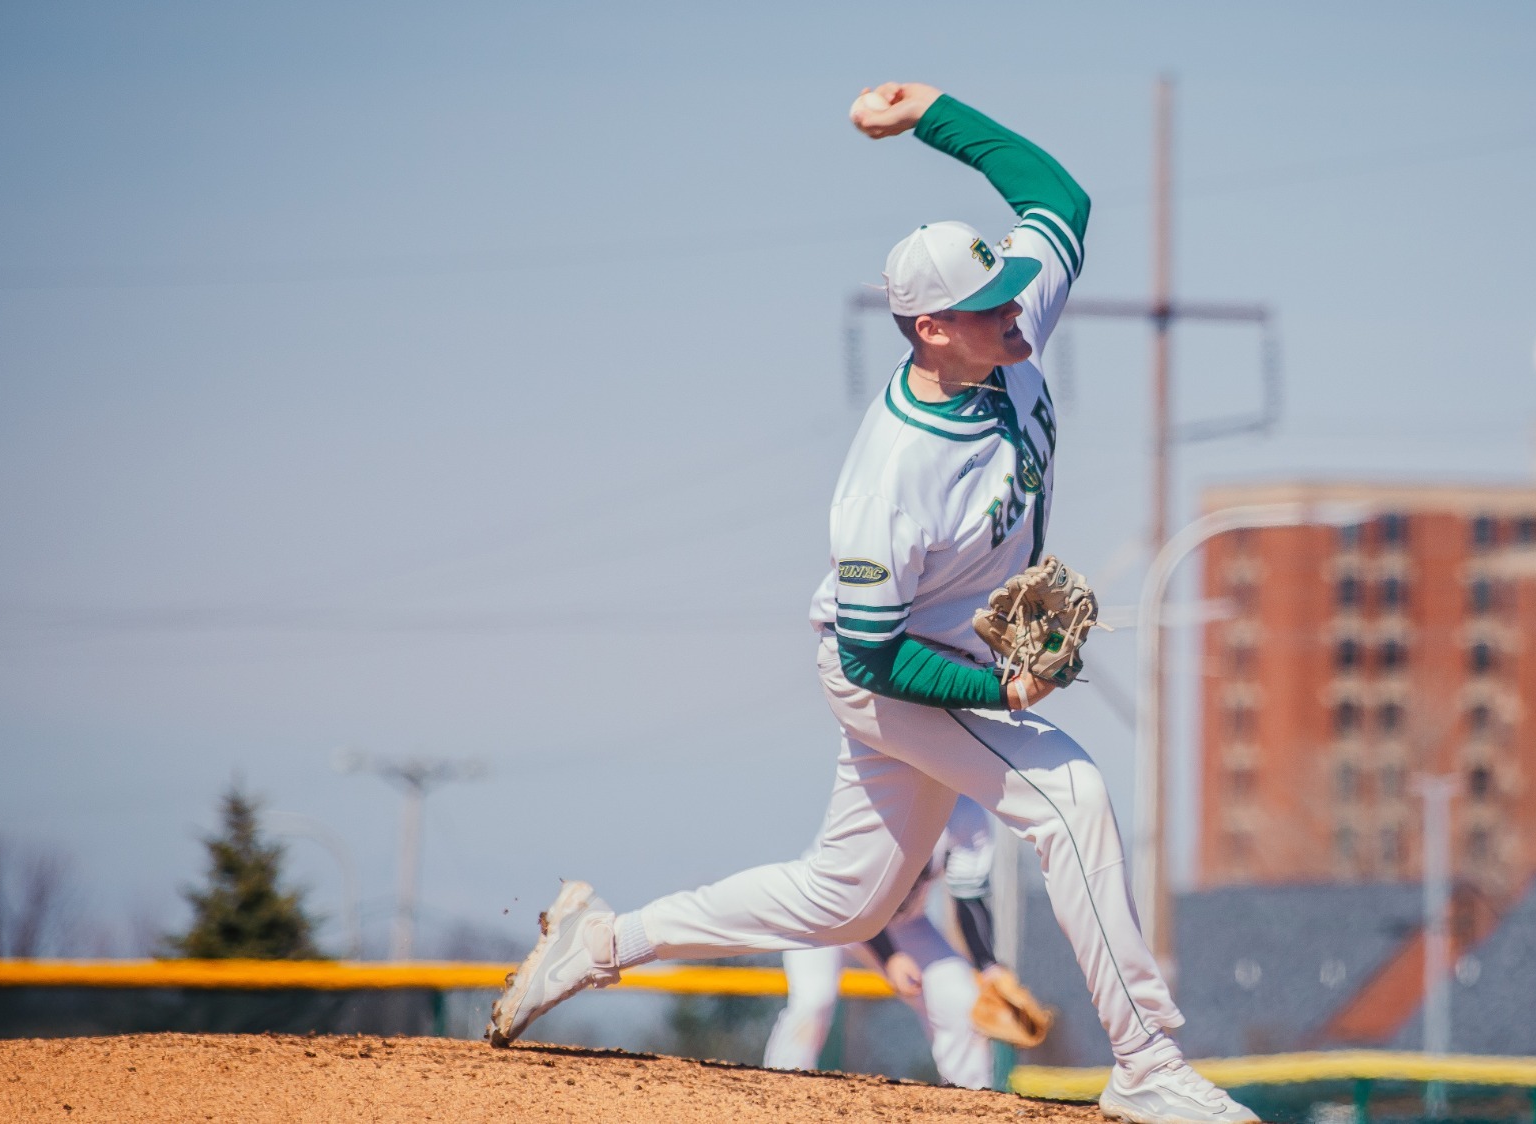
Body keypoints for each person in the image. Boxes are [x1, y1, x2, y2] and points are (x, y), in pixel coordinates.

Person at [485, 81, 1257, 1124]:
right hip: (891, 669)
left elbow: (1061, 201)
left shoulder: (1003, 331)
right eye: (990, 306)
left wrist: (934, 112)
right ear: (931, 328)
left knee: (842, 900)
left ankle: (603, 941)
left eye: (1012, 292)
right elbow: (869, 656)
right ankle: (1147, 1061)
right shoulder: (889, 478)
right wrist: (999, 687)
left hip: (938, 655)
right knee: (1069, 795)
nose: (1018, 309)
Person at [764, 796, 999, 1089]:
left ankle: (970, 1099)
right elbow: (855, 893)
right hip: (822, 908)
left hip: (902, 922)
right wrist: (890, 958)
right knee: (814, 1001)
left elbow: (969, 895)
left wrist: (990, 966)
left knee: (959, 997)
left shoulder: (965, 811)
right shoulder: (874, 795)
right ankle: (780, 1092)